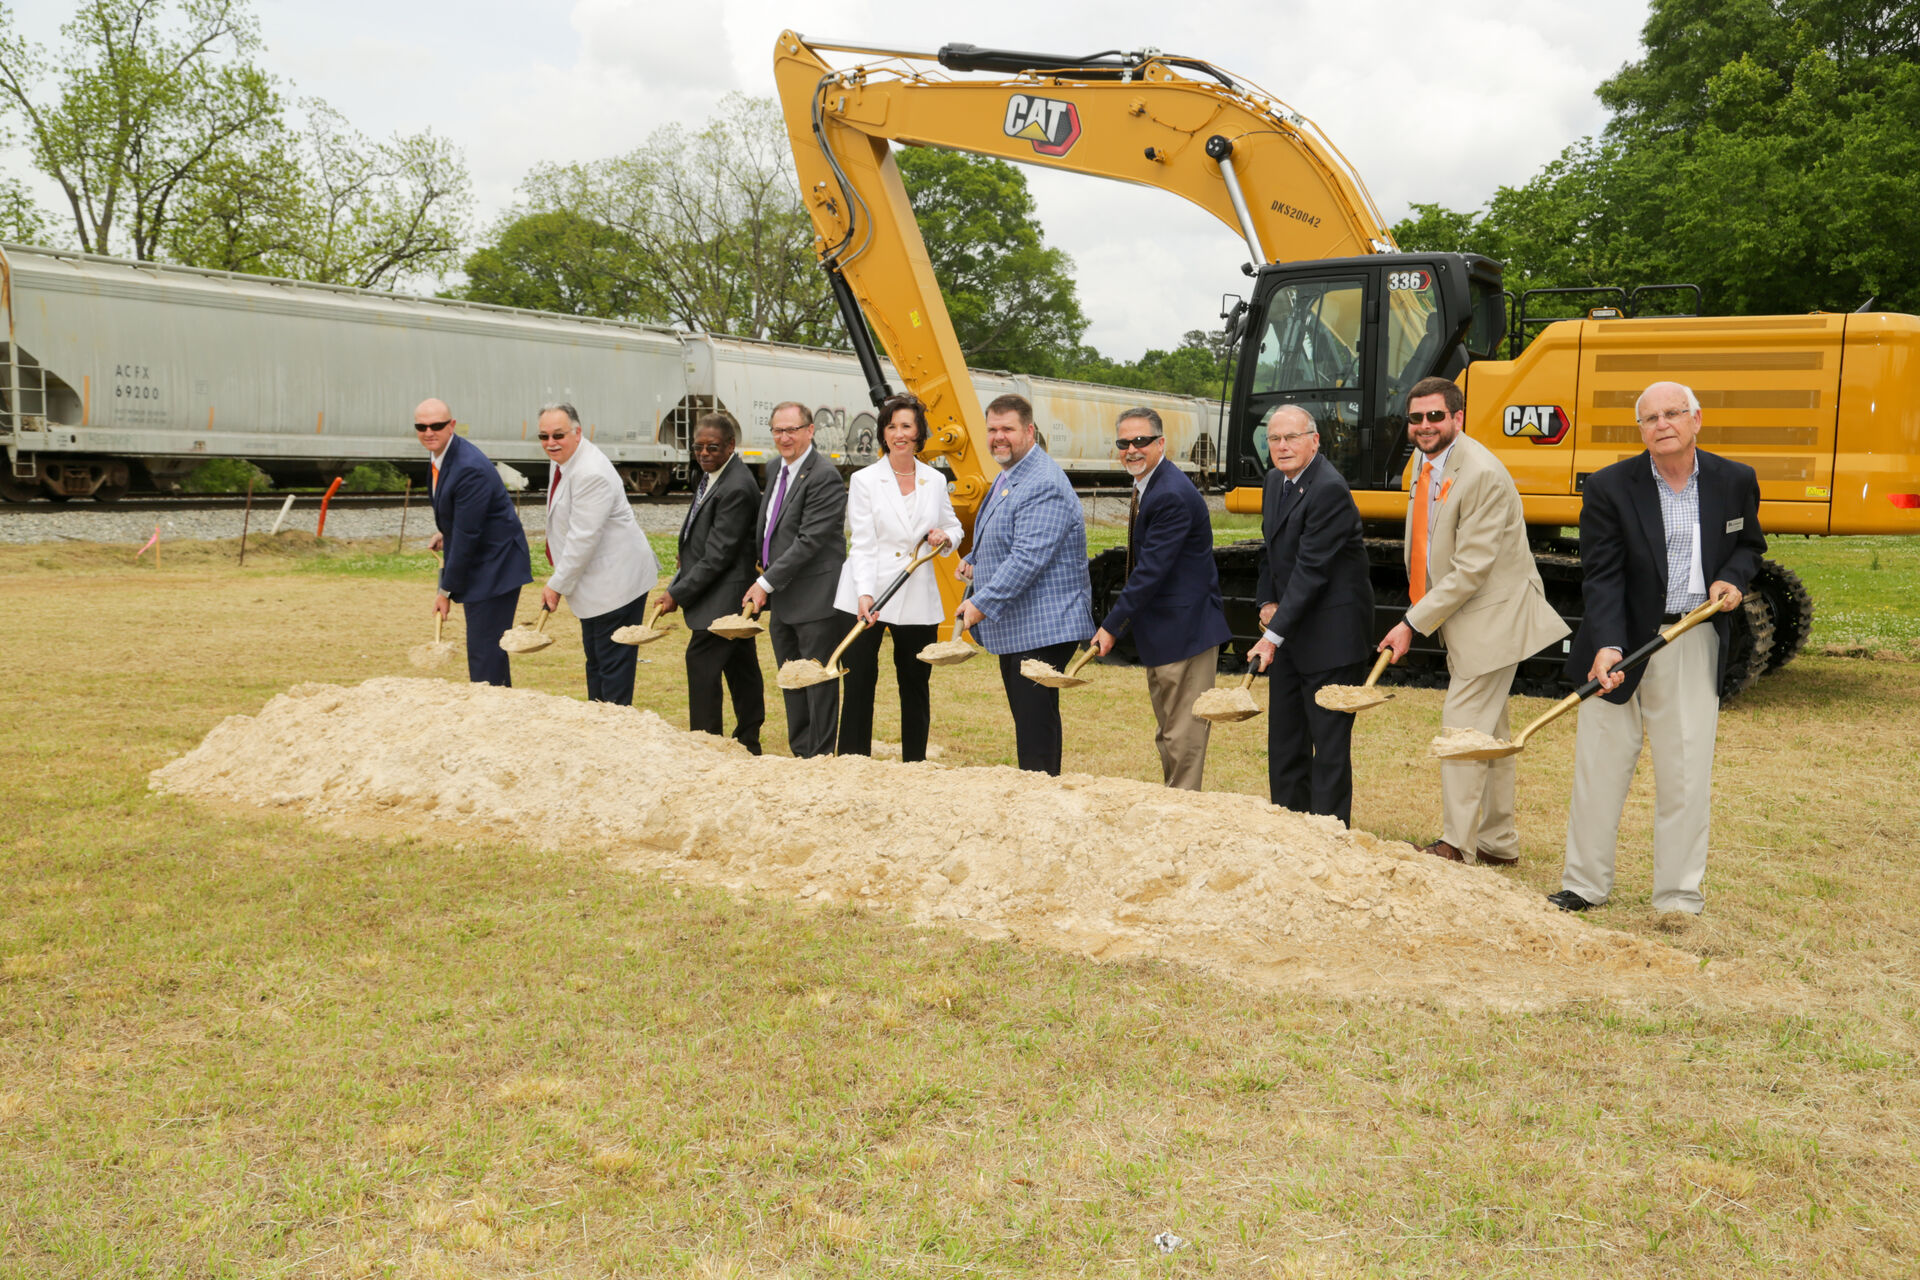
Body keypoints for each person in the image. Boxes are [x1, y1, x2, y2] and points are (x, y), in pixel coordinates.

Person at [1550, 381, 1765, 917]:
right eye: (1650, 418)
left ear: (1697, 419)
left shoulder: (1735, 480)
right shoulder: (1608, 487)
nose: (1662, 424)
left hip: (1692, 637)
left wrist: (1733, 579)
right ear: (1640, 430)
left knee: (1686, 774)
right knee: (1600, 768)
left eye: (1673, 413)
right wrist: (1606, 645)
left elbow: (1748, 544)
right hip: (1621, 643)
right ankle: (1584, 885)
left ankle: (1677, 897)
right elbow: (1600, 576)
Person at [1378, 376, 1568, 865]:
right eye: (1416, 417)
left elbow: (1471, 569)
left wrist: (1410, 622)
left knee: (1461, 727)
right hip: (1466, 615)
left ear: (1457, 418)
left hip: (1492, 617)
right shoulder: (1426, 461)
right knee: (1491, 736)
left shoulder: (1480, 471)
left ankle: (1456, 846)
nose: (1424, 426)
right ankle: (1497, 844)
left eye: (1435, 416)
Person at [1090, 407, 1231, 790]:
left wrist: (1111, 625)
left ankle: (1182, 813)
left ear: (1161, 443)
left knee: (1182, 735)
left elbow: (1150, 571)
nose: (1132, 449)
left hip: (1185, 632)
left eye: (1141, 441)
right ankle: (1174, 808)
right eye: (1124, 443)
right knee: (1169, 730)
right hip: (1167, 632)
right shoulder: (1151, 484)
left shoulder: (1169, 493)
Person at [1246, 405, 1375, 823]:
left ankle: (1328, 836)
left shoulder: (1328, 489)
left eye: (1292, 438)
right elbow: (1271, 550)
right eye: (1274, 439)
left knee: (1329, 747)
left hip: (1331, 640)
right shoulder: (1274, 481)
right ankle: (1289, 830)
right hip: (1290, 635)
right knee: (1284, 743)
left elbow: (1311, 571)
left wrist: (1271, 636)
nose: (1282, 447)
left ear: (1314, 440)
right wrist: (1266, 602)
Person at [956, 394, 1093, 776]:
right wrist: (975, 561)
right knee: (1028, 720)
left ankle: (1041, 800)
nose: (999, 437)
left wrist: (980, 602)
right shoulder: (1011, 473)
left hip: (1045, 627)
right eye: (993, 430)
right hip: (1022, 626)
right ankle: (1034, 793)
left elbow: (1029, 557)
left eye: (1008, 429)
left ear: (1029, 431)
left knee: (1035, 725)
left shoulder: (1043, 481)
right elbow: (1004, 535)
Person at [833, 393, 965, 761]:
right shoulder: (864, 480)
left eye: (906, 426)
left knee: (915, 683)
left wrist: (945, 537)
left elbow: (953, 527)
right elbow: (861, 542)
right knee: (859, 680)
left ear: (919, 432)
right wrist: (864, 594)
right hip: (867, 591)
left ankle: (914, 763)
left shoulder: (934, 480)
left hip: (916, 595)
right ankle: (853, 760)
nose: (898, 434)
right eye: (891, 426)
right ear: (883, 433)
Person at [535, 403, 658, 705]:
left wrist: (556, 584)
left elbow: (583, 539)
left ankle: (615, 735)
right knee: (596, 662)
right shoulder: (564, 458)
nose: (550, 442)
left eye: (558, 435)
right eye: (544, 436)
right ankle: (599, 726)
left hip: (617, 585)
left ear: (578, 432)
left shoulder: (591, 472)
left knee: (612, 667)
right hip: (594, 585)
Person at [744, 402, 848, 758]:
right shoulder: (776, 468)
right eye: (777, 430)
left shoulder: (824, 475)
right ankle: (800, 754)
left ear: (809, 431)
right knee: (790, 679)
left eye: (791, 430)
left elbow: (809, 541)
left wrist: (764, 584)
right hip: (783, 596)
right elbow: (772, 529)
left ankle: (819, 759)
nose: (784, 437)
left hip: (815, 598)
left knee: (818, 682)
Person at [658, 412, 765, 752]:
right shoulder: (712, 476)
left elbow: (718, 555)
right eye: (698, 447)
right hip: (721, 592)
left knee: (701, 662)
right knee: (741, 666)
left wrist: (677, 593)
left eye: (713, 447)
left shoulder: (736, 486)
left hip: (724, 596)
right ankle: (748, 739)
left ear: (731, 446)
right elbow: (702, 538)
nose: (704, 454)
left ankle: (705, 744)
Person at [417, 397, 532, 687]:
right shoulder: (441, 456)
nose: (429, 432)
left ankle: (493, 718)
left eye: (437, 426)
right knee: (486, 650)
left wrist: (444, 590)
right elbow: (467, 518)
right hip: (484, 560)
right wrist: (447, 532)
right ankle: (497, 710)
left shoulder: (468, 467)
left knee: (485, 653)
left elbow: (468, 536)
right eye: (421, 426)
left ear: (452, 425)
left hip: (496, 566)